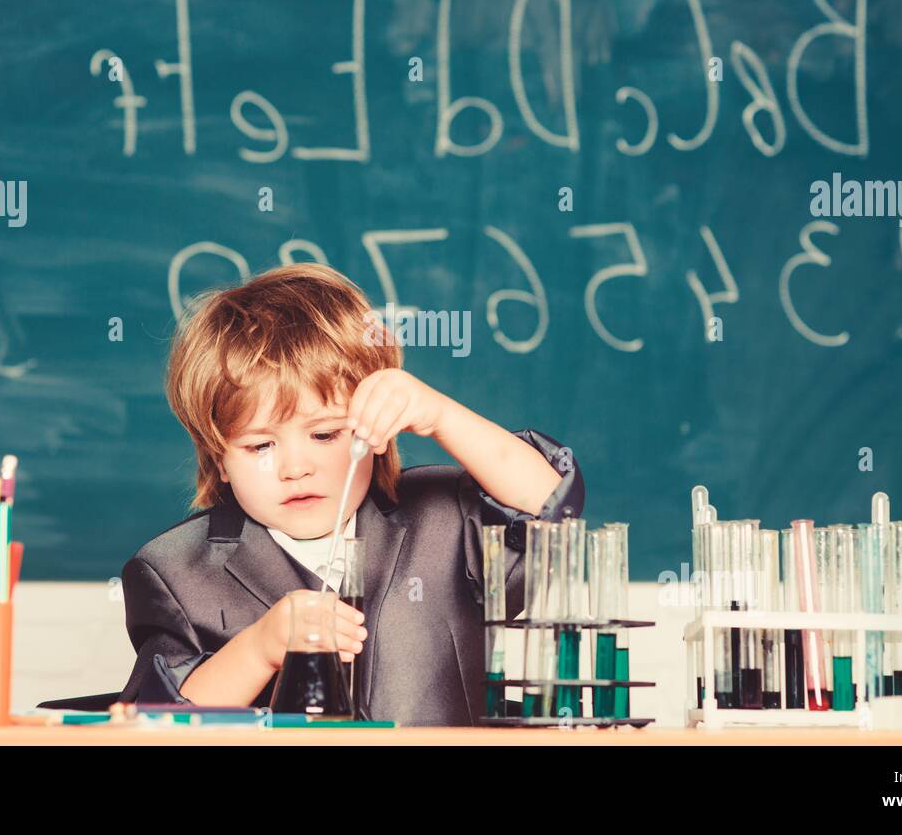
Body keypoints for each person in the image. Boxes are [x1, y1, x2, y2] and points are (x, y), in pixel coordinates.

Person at [119, 263, 583, 725]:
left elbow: (549, 507)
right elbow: (153, 725)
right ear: (219, 456)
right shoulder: (173, 570)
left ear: (371, 429)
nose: (295, 468)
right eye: (260, 445)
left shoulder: (445, 520)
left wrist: (439, 414)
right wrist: (259, 649)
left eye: (324, 435)